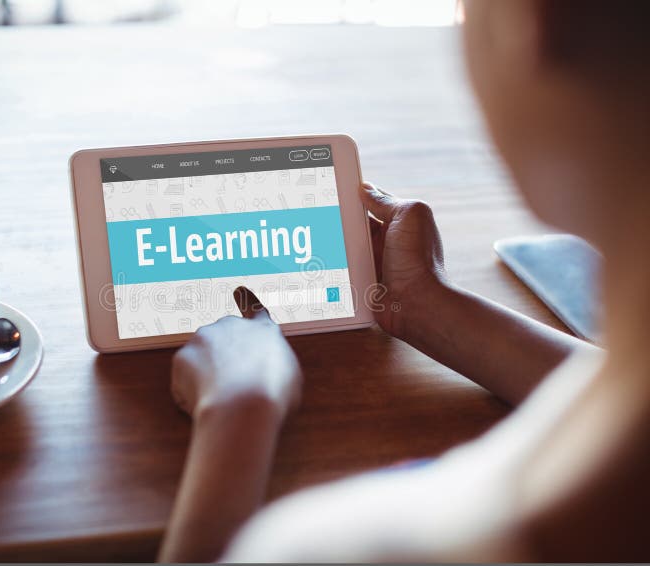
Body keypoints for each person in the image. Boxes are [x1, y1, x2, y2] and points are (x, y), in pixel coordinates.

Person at [158, 0, 650, 561]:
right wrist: (429, 307)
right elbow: (609, 393)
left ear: (535, 20)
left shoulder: (356, 547)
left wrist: (239, 414)